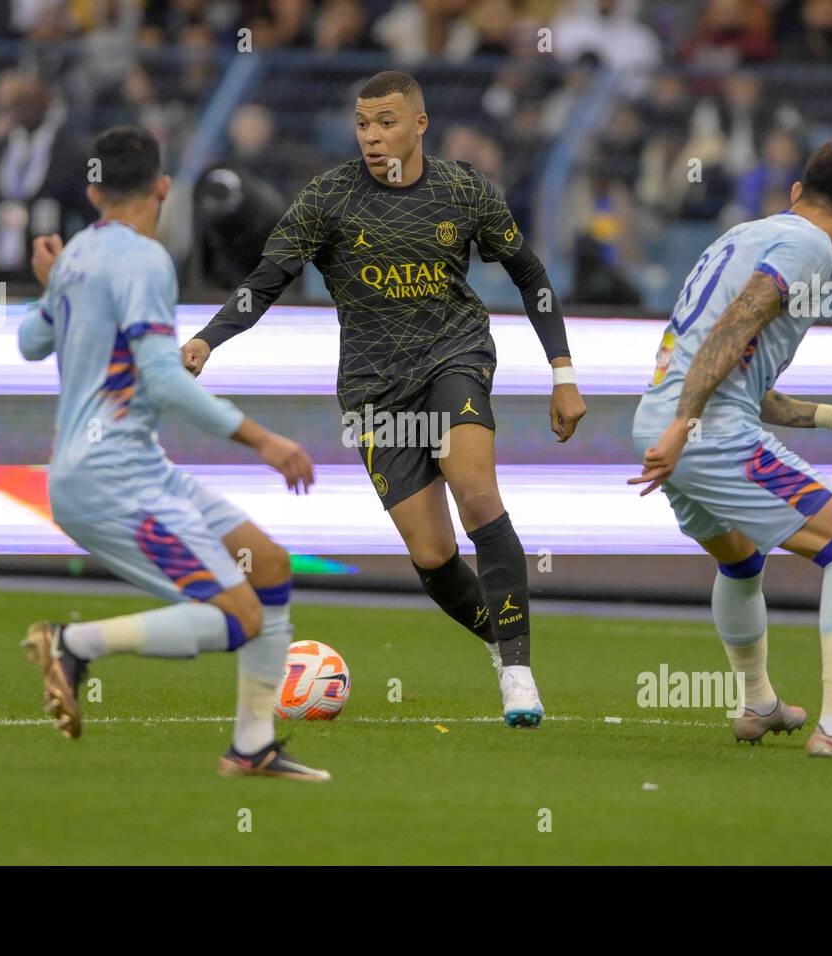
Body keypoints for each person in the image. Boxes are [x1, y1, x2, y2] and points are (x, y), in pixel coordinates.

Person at [183, 71, 588, 728]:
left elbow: (530, 275)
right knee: (431, 554)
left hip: (454, 358)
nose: (374, 137)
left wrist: (562, 371)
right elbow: (265, 281)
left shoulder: (462, 190)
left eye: (388, 123)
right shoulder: (327, 198)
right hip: (375, 390)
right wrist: (207, 340)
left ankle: (517, 671)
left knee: (477, 493)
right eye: (364, 124)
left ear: (419, 125)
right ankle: (502, 640)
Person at [15, 125, 329, 782]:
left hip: (131, 468)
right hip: (113, 480)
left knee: (267, 566)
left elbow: (29, 342)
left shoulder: (75, 254)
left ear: (93, 189)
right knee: (237, 617)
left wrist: (51, 291)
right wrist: (264, 441)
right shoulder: (143, 259)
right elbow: (162, 380)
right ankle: (71, 644)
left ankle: (252, 746)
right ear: (162, 186)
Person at [630, 139, 832, 763]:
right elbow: (737, 322)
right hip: (704, 428)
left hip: (661, 417)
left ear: (797, 192)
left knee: (739, 558)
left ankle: (758, 702)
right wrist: (688, 423)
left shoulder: (745, 234)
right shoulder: (811, 246)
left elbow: (733, 363)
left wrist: (824, 416)